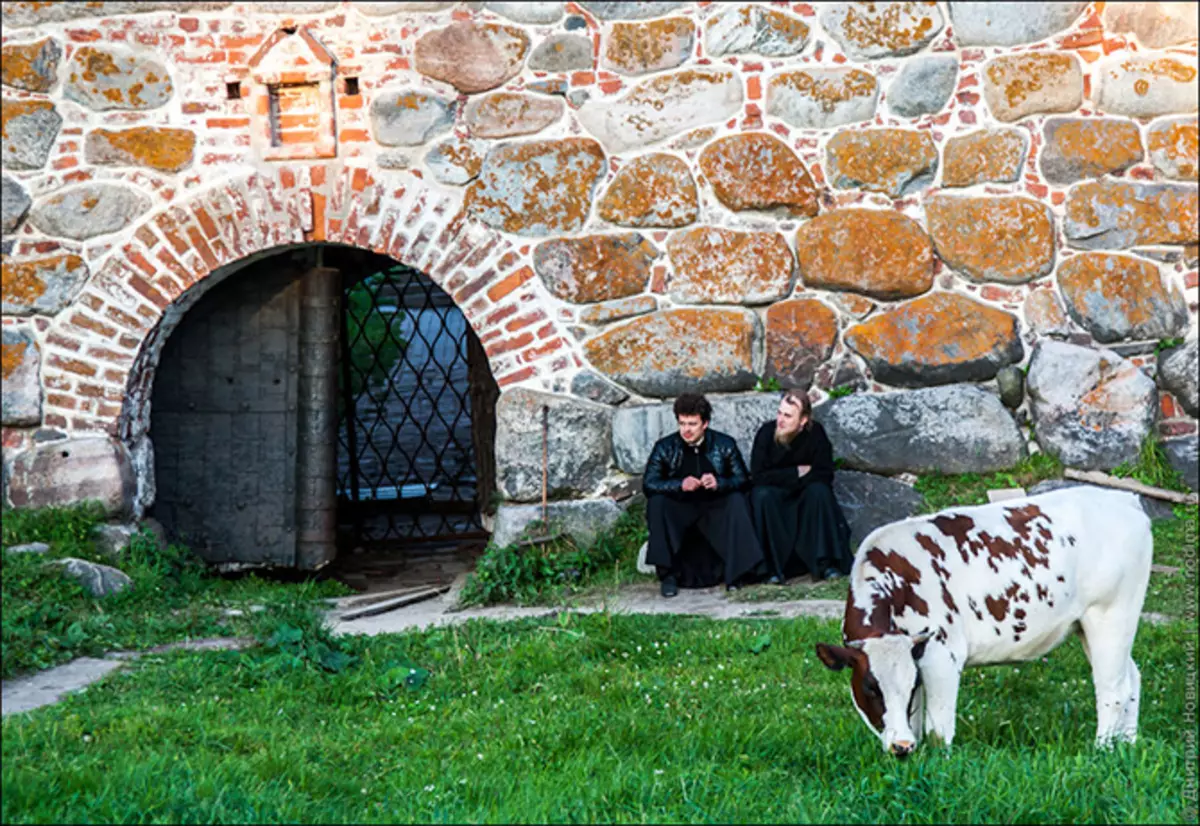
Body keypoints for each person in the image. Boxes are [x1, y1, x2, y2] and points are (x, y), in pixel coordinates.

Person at [643, 393, 765, 598]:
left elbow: (743, 480)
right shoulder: (665, 447)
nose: (686, 430)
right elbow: (649, 484)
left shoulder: (724, 444)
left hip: (714, 506)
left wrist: (720, 483)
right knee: (657, 503)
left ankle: (735, 575)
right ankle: (668, 576)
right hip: (681, 506)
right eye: (682, 424)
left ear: (705, 423)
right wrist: (680, 485)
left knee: (736, 501)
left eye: (692, 424)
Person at [749, 389, 854, 584]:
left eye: (788, 416)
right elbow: (758, 476)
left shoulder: (816, 434)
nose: (781, 420)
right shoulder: (766, 433)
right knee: (762, 495)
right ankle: (772, 569)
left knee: (819, 492)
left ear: (803, 420)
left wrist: (790, 480)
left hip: (806, 494)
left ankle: (825, 564)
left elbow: (823, 474)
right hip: (774, 496)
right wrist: (795, 473)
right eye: (780, 413)